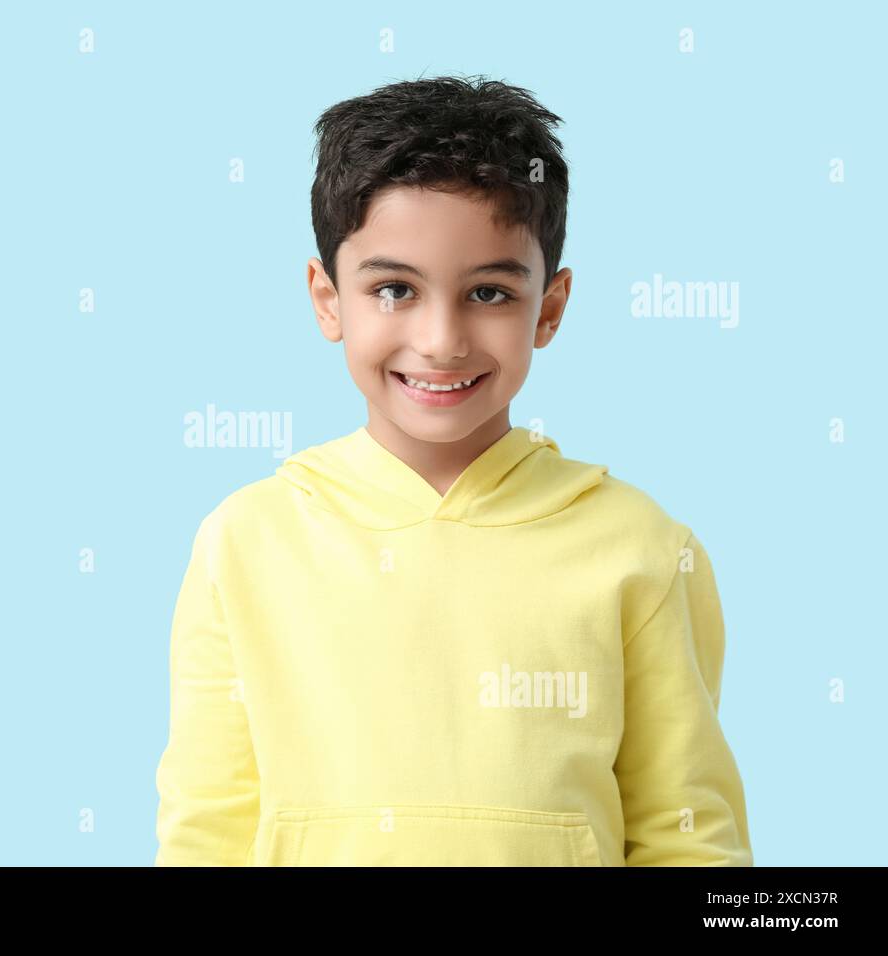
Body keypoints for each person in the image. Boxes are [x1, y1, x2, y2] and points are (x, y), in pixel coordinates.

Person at [153, 75, 752, 867]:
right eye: (394, 289)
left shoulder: (640, 547)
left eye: (490, 292)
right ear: (328, 299)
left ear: (551, 307)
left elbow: (689, 835)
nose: (441, 339)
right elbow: (207, 830)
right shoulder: (244, 542)